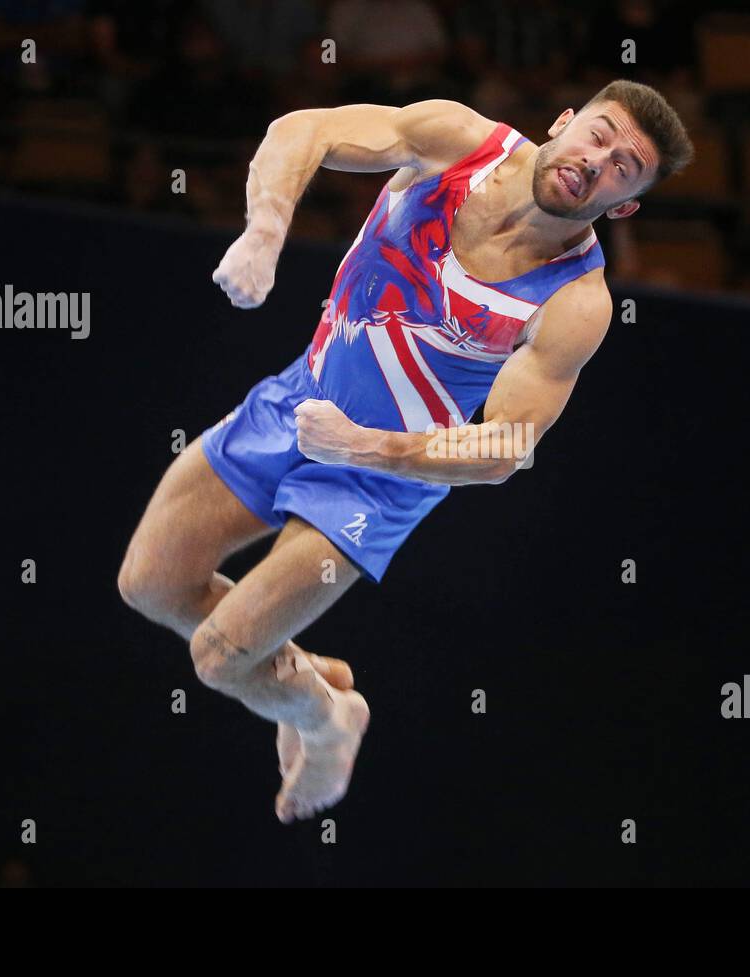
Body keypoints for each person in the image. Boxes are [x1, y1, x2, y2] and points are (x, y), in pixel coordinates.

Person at [118, 82, 694, 823]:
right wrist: (263, 233)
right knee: (151, 584)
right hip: (300, 396)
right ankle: (317, 684)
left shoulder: (575, 303)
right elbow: (306, 129)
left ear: (625, 207)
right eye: (598, 133)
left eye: (625, 166)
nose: (597, 160)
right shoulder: (458, 139)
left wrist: (366, 447)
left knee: (220, 656)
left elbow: (506, 448)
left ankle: (328, 724)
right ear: (563, 121)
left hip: (381, 482)